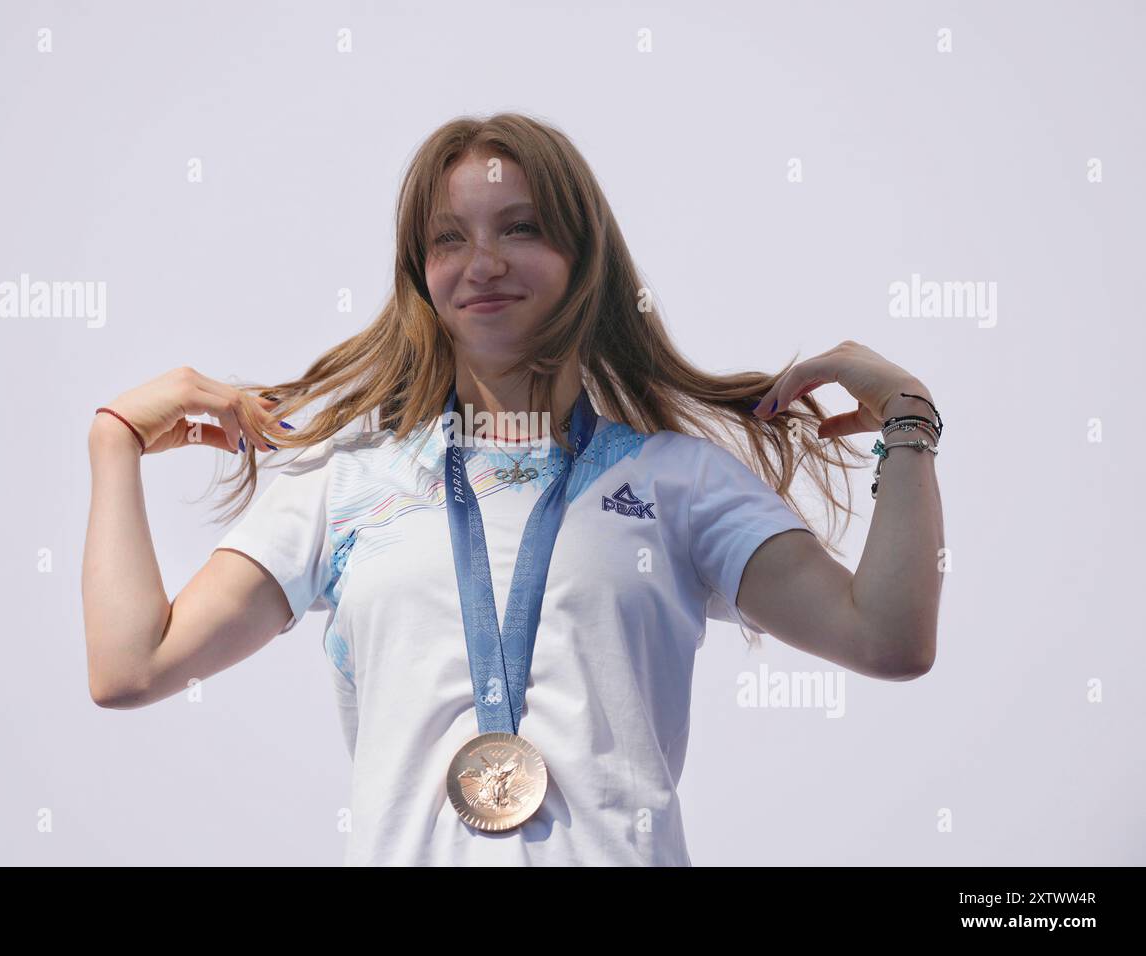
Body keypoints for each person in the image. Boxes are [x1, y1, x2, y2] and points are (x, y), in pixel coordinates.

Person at [83, 112, 945, 866]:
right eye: (449, 238)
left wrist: (909, 423)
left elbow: (886, 640)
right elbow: (133, 666)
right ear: (422, 274)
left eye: (521, 228)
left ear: (583, 257)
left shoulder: (680, 483)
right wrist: (113, 441)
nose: (482, 262)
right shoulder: (345, 486)